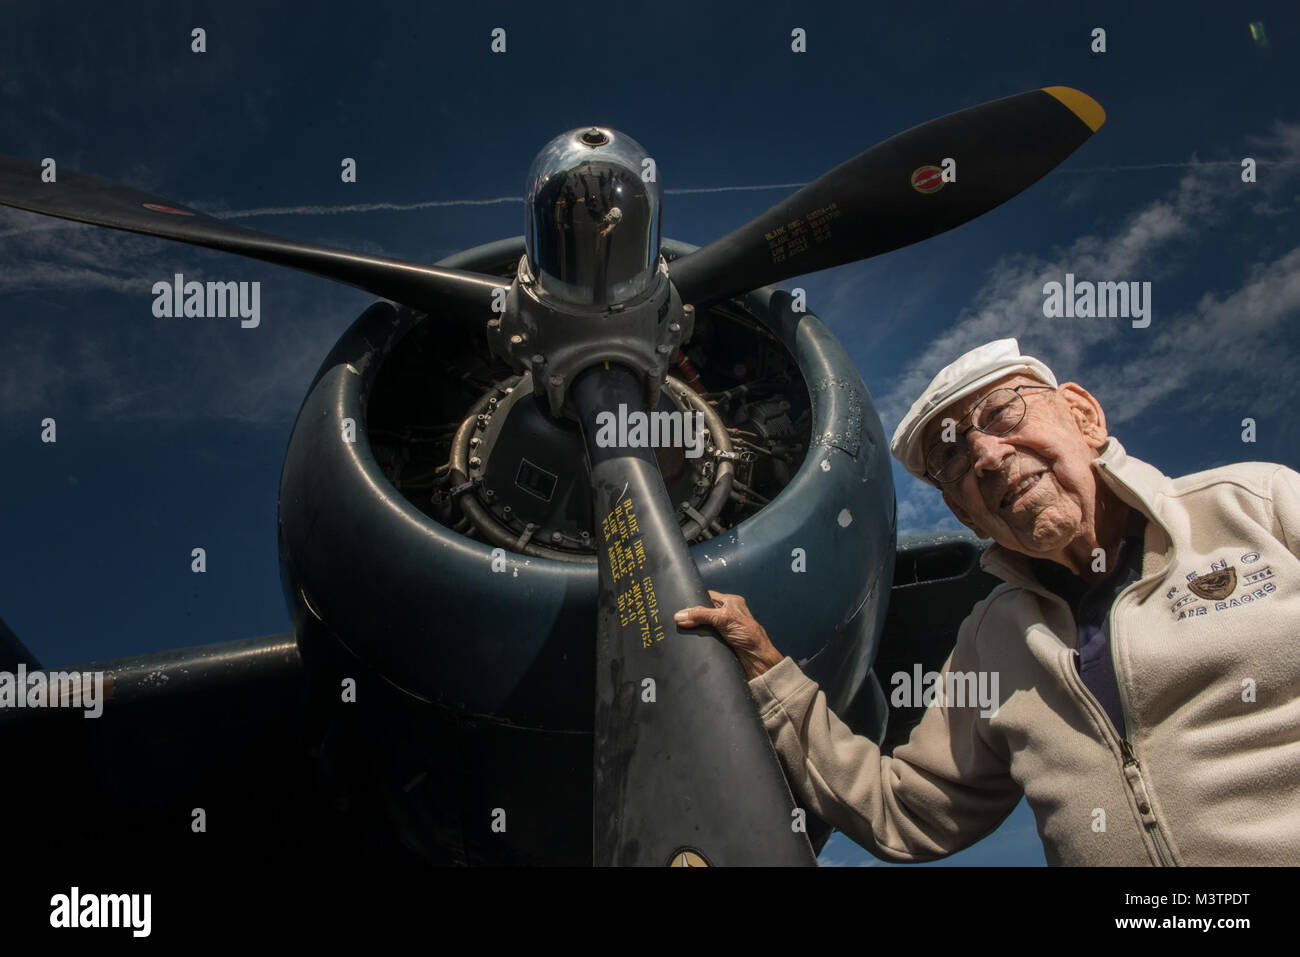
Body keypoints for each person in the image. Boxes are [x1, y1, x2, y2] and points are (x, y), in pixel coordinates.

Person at [675, 338, 1300, 865]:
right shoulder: (991, 637)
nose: (987, 455)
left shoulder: (1258, 506)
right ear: (962, 513)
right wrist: (768, 669)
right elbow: (905, 811)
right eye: (951, 456)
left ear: (1084, 416)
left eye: (1004, 414)